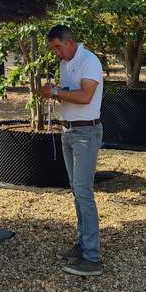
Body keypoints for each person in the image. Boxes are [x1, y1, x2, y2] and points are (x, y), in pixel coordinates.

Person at [39, 25, 104, 277]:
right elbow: (70, 94)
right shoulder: (66, 63)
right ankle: (83, 244)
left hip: (85, 133)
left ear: (69, 42)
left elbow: (86, 96)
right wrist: (57, 92)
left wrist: (54, 92)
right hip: (69, 131)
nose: (55, 52)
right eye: (52, 48)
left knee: (84, 192)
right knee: (77, 190)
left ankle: (92, 257)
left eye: (57, 47)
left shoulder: (89, 61)